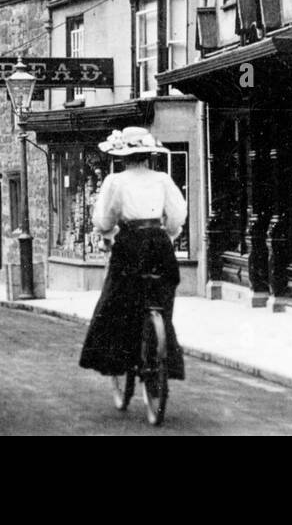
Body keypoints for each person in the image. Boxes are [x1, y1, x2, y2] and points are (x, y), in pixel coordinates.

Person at [79, 126, 188, 401]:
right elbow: (176, 215)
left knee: (116, 298)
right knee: (161, 297)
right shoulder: (163, 179)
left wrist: (108, 234)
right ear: (148, 155)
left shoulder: (116, 182)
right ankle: (160, 344)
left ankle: (122, 354)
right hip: (159, 243)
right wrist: (169, 235)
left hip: (130, 243)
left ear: (123, 156)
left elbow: (105, 219)